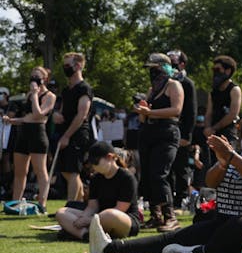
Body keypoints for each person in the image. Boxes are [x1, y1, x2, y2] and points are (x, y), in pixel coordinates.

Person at [90, 116, 242, 253]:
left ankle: (197, 252)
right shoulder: (236, 159)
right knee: (172, 238)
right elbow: (211, 182)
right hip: (221, 224)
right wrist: (224, 162)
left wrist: (232, 157)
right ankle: (111, 248)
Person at [135, 53, 184, 231]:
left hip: (167, 133)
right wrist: (142, 110)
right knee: (147, 176)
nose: (152, 72)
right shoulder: (152, 90)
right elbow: (143, 118)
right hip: (149, 132)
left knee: (159, 174)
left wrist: (151, 113)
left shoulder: (174, 85)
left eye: (154, 68)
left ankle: (169, 216)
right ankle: (155, 215)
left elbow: (176, 110)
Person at [56, 141, 140, 243]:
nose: (94, 167)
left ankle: (77, 231)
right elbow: (92, 206)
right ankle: (85, 235)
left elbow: (120, 209)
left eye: (96, 162)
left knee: (110, 214)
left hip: (122, 219)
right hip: (98, 216)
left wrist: (89, 220)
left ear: (110, 157)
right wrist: (83, 217)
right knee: (61, 212)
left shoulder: (127, 178)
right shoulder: (96, 178)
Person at [3, 66, 56, 211]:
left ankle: (42, 203)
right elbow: (27, 117)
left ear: (44, 79)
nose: (33, 79)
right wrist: (12, 121)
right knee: (20, 171)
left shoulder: (49, 96)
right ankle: (15, 203)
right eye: (32, 76)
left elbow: (38, 114)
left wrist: (34, 95)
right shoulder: (28, 95)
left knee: (40, 170)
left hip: (38, 133)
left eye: (37, 77)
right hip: (24, 132)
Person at [54, 52, 93, 202]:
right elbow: (62, 110)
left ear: (77, 66)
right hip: (64, 131)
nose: (65, 68)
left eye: (67, 65)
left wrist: (67, 136)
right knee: (65, 171)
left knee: (72, 171)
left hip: (77, 134)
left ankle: (70, 206)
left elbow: (81, 115)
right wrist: (57, 115)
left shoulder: (84, 88)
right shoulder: (66, 90)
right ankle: (80, 202)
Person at [166, 50, 197, 209]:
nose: (170, 67)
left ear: (182, 64)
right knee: (168, 168)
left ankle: (181, 199)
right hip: (167, 131)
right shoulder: (166, 82)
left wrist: (187, 135)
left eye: (173, 64)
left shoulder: (187, 83)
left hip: (181, 133)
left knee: (181, 167)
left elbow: (191, 111)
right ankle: (169, 200)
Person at [204, 55, 242, 143]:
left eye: (218, 70)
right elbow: (209, 113)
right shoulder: (213, 92)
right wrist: (207, 128)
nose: (215, 73)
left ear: (228, 71)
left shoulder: (234, 90)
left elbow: (232, 114)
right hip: (212, 135)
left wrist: (214, 128)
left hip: (228, 135)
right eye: (214, 70)